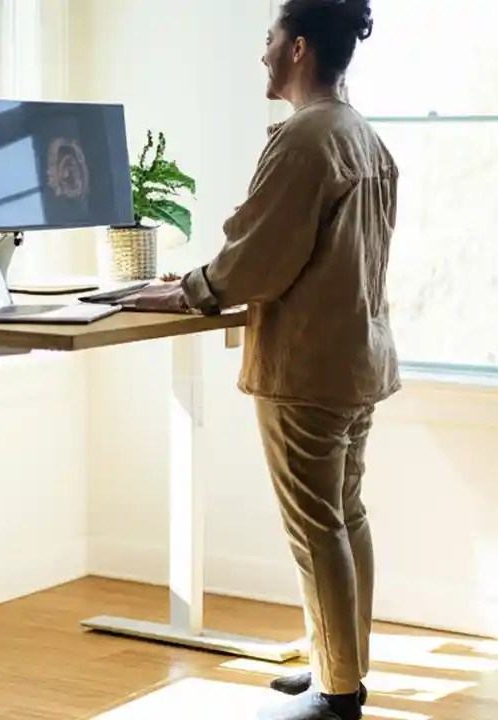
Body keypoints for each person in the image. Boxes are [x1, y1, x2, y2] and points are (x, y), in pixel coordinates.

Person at [133, 1, 398, 718]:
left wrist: (188, 290)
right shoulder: (362, 136)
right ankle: (340, 668)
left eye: (271, 38)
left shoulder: (307, 140)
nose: (264, 52)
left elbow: (259, 259)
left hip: (309, 366)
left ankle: (337, 693)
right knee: (344, 515)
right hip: (357, 358)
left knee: (318, 526)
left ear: (300, 48)